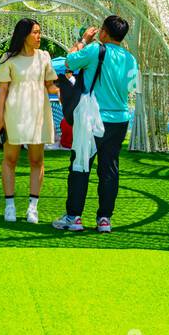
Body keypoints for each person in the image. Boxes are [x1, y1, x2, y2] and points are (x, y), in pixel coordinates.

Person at [52, 15, 138, 234]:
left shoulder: (95, 49)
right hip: (119, 119)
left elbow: (68, 62)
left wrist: (83, 41)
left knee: (80, 165)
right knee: (109, 168)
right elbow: (131, 86)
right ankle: (104, 219)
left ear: (104, 32)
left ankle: (74, 216)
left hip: (92, 118)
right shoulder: (130, 59)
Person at [0, 18, 59, 223]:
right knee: (10, 159)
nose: (39, 36)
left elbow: (50, 86)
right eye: (35, 32)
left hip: (38, 114)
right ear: (24, 35)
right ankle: (10, 206)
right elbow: (2, 91)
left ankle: (33, 208)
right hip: (14, 114)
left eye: (40, 32)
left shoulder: (44, 57)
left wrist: (70, 92)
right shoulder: (9, 58)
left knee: (37, 161)